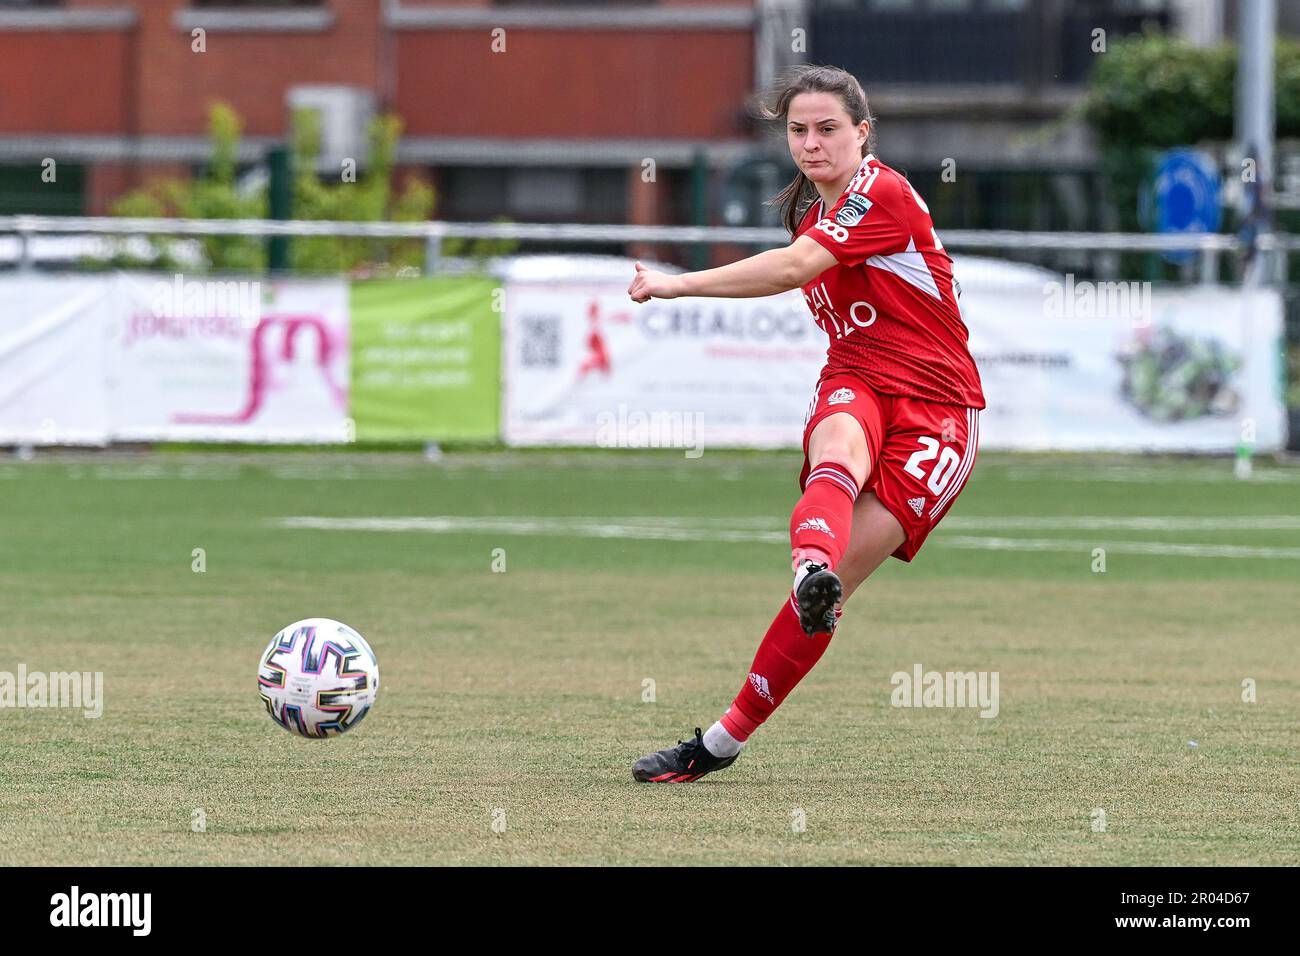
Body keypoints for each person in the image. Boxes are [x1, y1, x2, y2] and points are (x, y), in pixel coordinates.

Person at [626, 64, 986, 783]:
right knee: (835, 461)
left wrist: (676, 283)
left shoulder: (879, 192)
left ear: (862, 133)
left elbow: (794, 270)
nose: (812, 143)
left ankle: (722, 741)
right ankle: (809, 570)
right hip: (857, 376)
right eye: (798, 130)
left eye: (828, 129)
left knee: (836, 593)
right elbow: (802, 262)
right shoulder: (811, 214)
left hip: (939, 413)